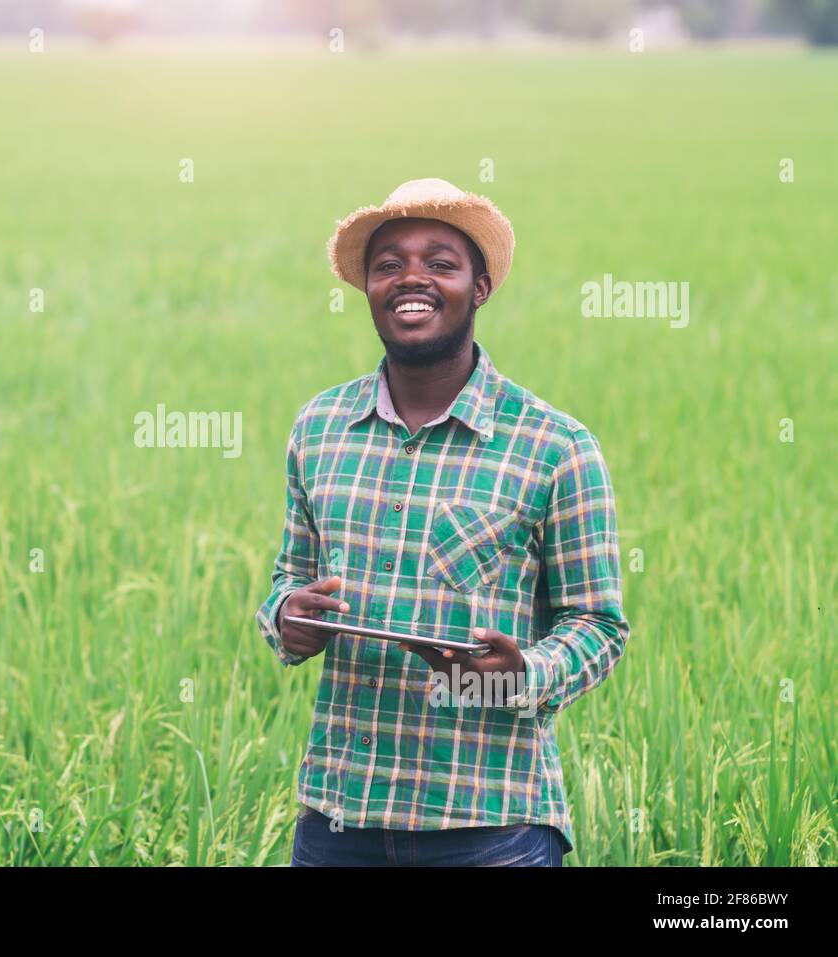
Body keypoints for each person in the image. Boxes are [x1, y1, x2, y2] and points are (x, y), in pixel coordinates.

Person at [255, 177, 629, 866]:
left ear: (479, 287)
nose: (411, 279)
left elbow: (599, 625)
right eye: (389, 264)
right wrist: (287, 616)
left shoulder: (554, 445)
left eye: (441, 262)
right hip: (341, 816)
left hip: (490, 825)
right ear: (367, 287)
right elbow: (289, 576)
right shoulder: (320, 428)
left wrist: (523, 673)